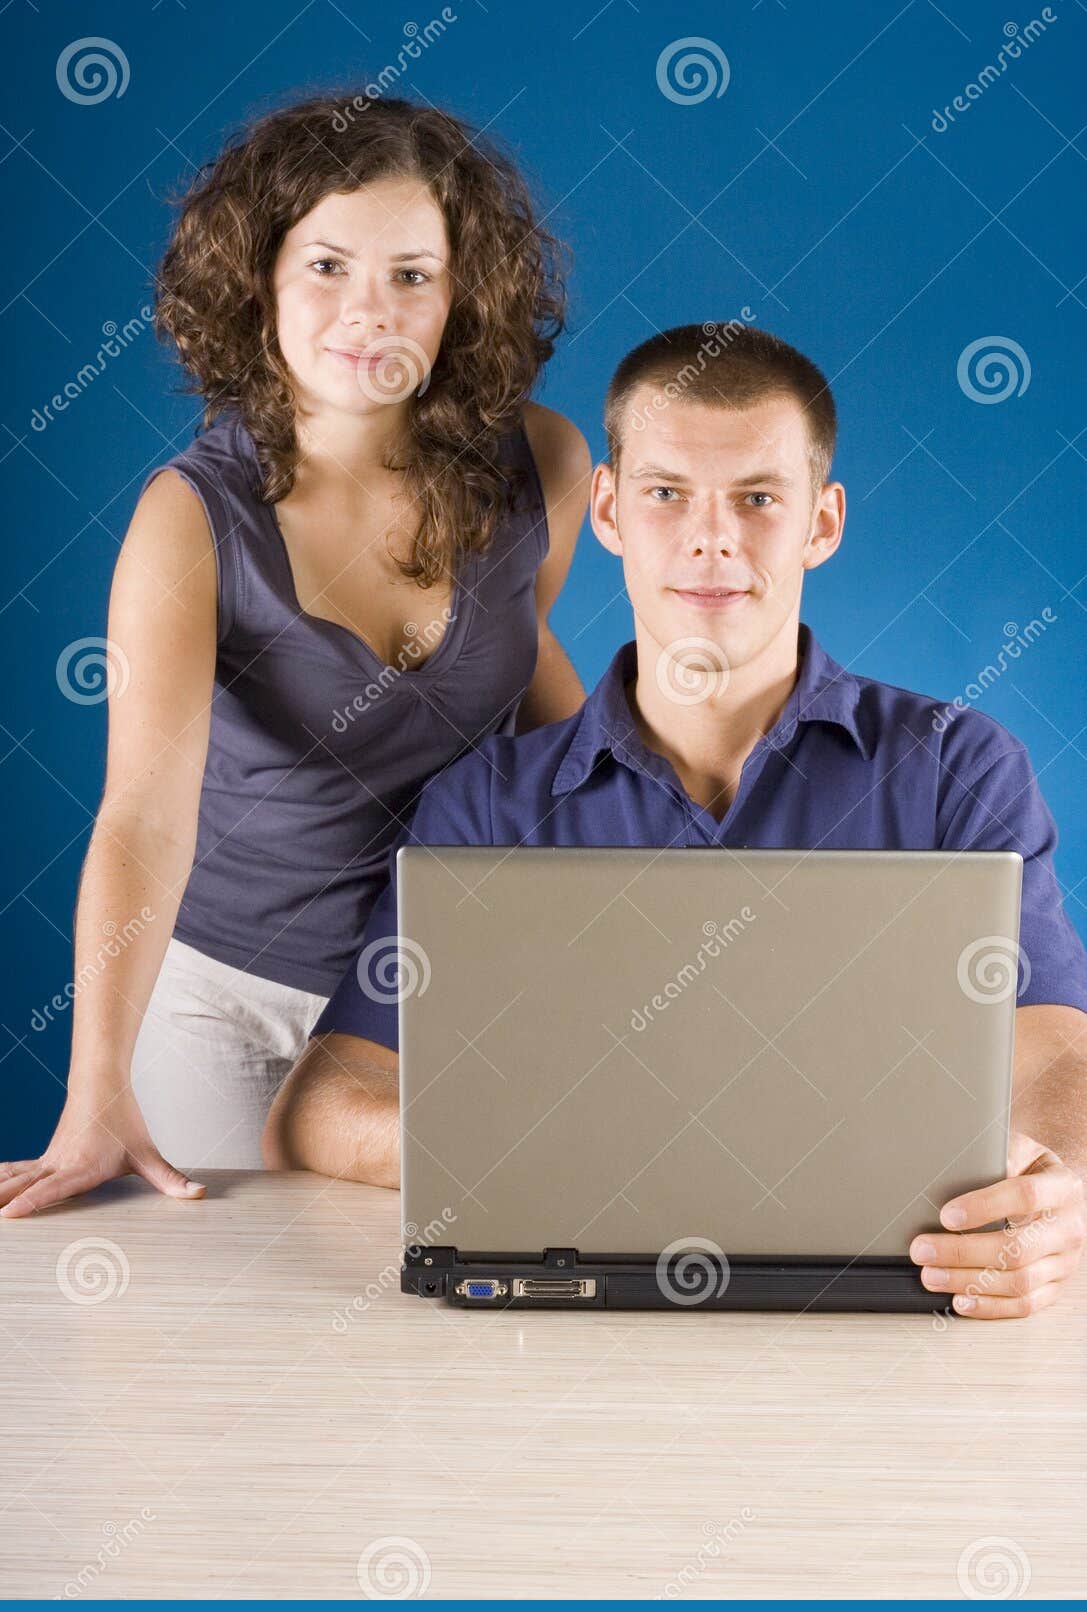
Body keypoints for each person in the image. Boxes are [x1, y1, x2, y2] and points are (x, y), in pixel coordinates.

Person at [262, 322, 1087, 1321]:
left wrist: (1054, 1189)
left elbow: (1050, 1049)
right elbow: (322, 1102)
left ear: (821, 524)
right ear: (606, 508)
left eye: (757, 498)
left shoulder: (956, 768)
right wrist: (558, 1157)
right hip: (559, 1329)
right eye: (665, 494)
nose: (711, 538)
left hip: (889, 1316)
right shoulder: (486, 804)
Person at [0, 94, 590, 1219]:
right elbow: (142, 817)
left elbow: (524, 668)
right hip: (227, 1003)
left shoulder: (543, 464)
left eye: (412, 274)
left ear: (463, 294)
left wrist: (677, 855)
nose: (369, 313)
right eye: (327, 265)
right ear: (258, 278)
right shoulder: (191, 520)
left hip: (435, 998)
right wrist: (94, 1092)